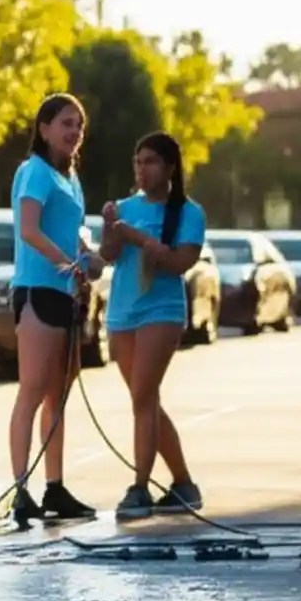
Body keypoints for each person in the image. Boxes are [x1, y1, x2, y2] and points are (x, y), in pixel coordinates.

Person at [7, 92, 104, 526]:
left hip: (66, 293)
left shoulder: (71, 179)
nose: (73, 132)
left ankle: (55, 486)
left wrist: (87, 255)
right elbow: (29, 230)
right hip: (37, 290)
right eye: (65, 123)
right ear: (44, 129)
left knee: (58, 394)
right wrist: (64, 263)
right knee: (32, 388)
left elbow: (72, 232)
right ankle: (20, 489)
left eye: (78, 126)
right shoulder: (36, 173)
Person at [98, 131, 206, 519]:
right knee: (145, 402)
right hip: (122, 311)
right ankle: (183, 483)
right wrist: (111, 229)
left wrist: (140, 239)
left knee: (144, 396)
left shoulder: (189, 213)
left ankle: (139, 487)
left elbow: (180, 263)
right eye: (138, 162)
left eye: (151, 162)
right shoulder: (124, 207)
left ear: (170, 167)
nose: (142, 169)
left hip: (161, 310)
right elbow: (109, 255)